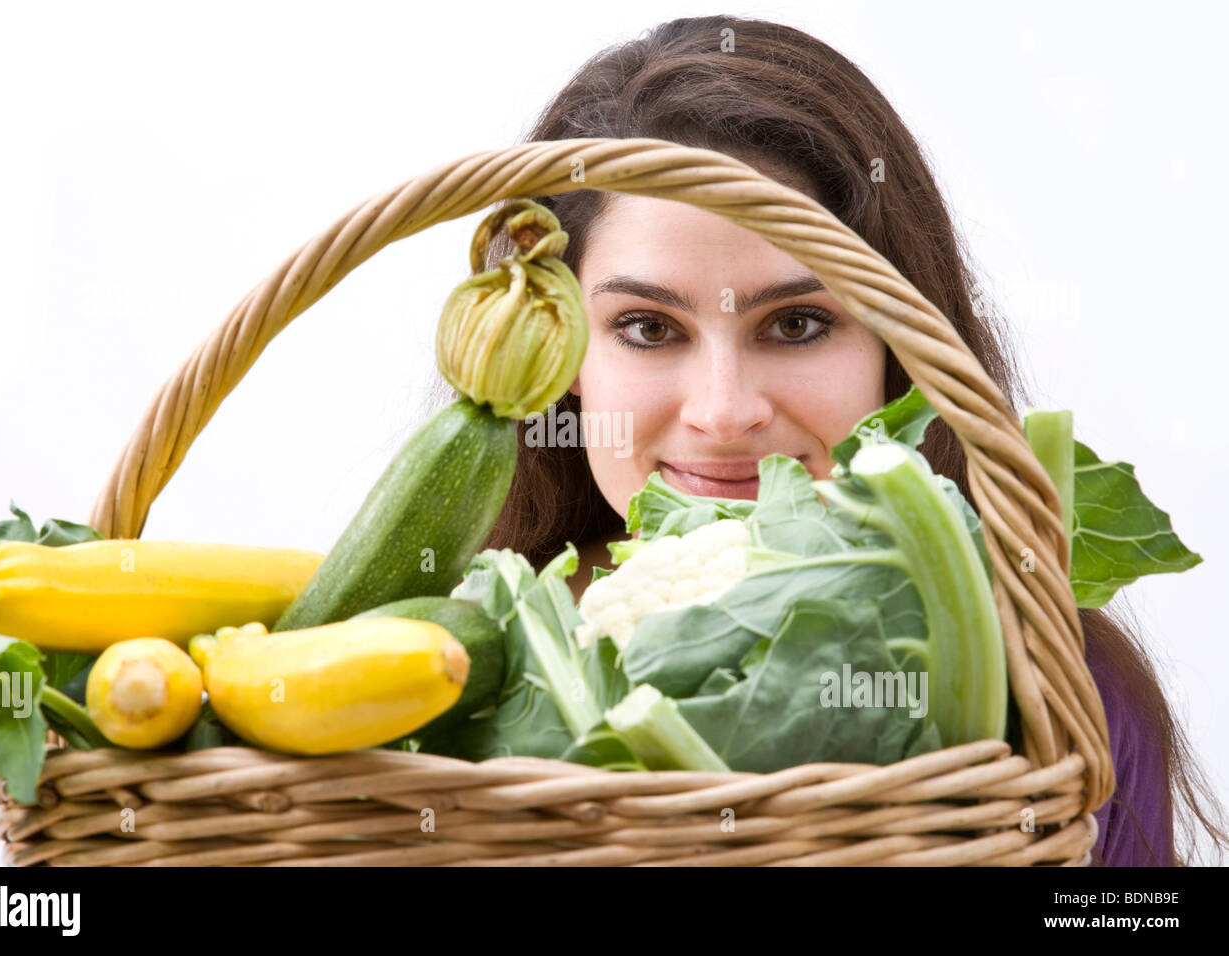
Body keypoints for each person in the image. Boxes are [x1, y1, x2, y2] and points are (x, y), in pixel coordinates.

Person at [423, 15, 1227, 866]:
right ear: (560, 352)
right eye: (648, 328)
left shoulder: (1063, 693)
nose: (724, 412)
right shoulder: (437, 670)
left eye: (798, 323)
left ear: (902, 350)